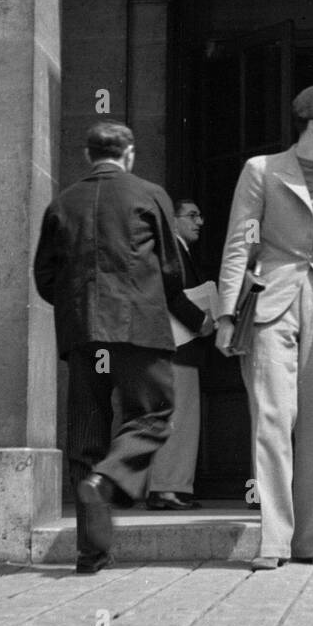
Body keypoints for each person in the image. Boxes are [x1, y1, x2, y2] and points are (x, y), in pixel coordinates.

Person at [215, 85, 313, 571]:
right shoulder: (261, 170)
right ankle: (274, 541)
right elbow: (239, 244)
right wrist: (225, 314)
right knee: (272, 420)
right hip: (271, 303)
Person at [32, 121, 186, 573]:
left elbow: (45, 277)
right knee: (154, 413)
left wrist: (78, 306)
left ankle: (90, 552)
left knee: (85, 436)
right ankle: (108, 478)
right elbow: (172, 268)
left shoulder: (62, 202)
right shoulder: (150, 194)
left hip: (84, 335)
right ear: (130, 153)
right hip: (138, 327)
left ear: (86, 155)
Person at [146, 199, 211, 511]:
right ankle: (165, 489)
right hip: (176, 348)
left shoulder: (179, 250)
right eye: (192, 215)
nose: (200, 221)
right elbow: (171, 294)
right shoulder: (169, 249)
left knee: (181, 419)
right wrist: (202, 321)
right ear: (172, 221)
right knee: (177, 419)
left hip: (182, 350)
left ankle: (172, 487)